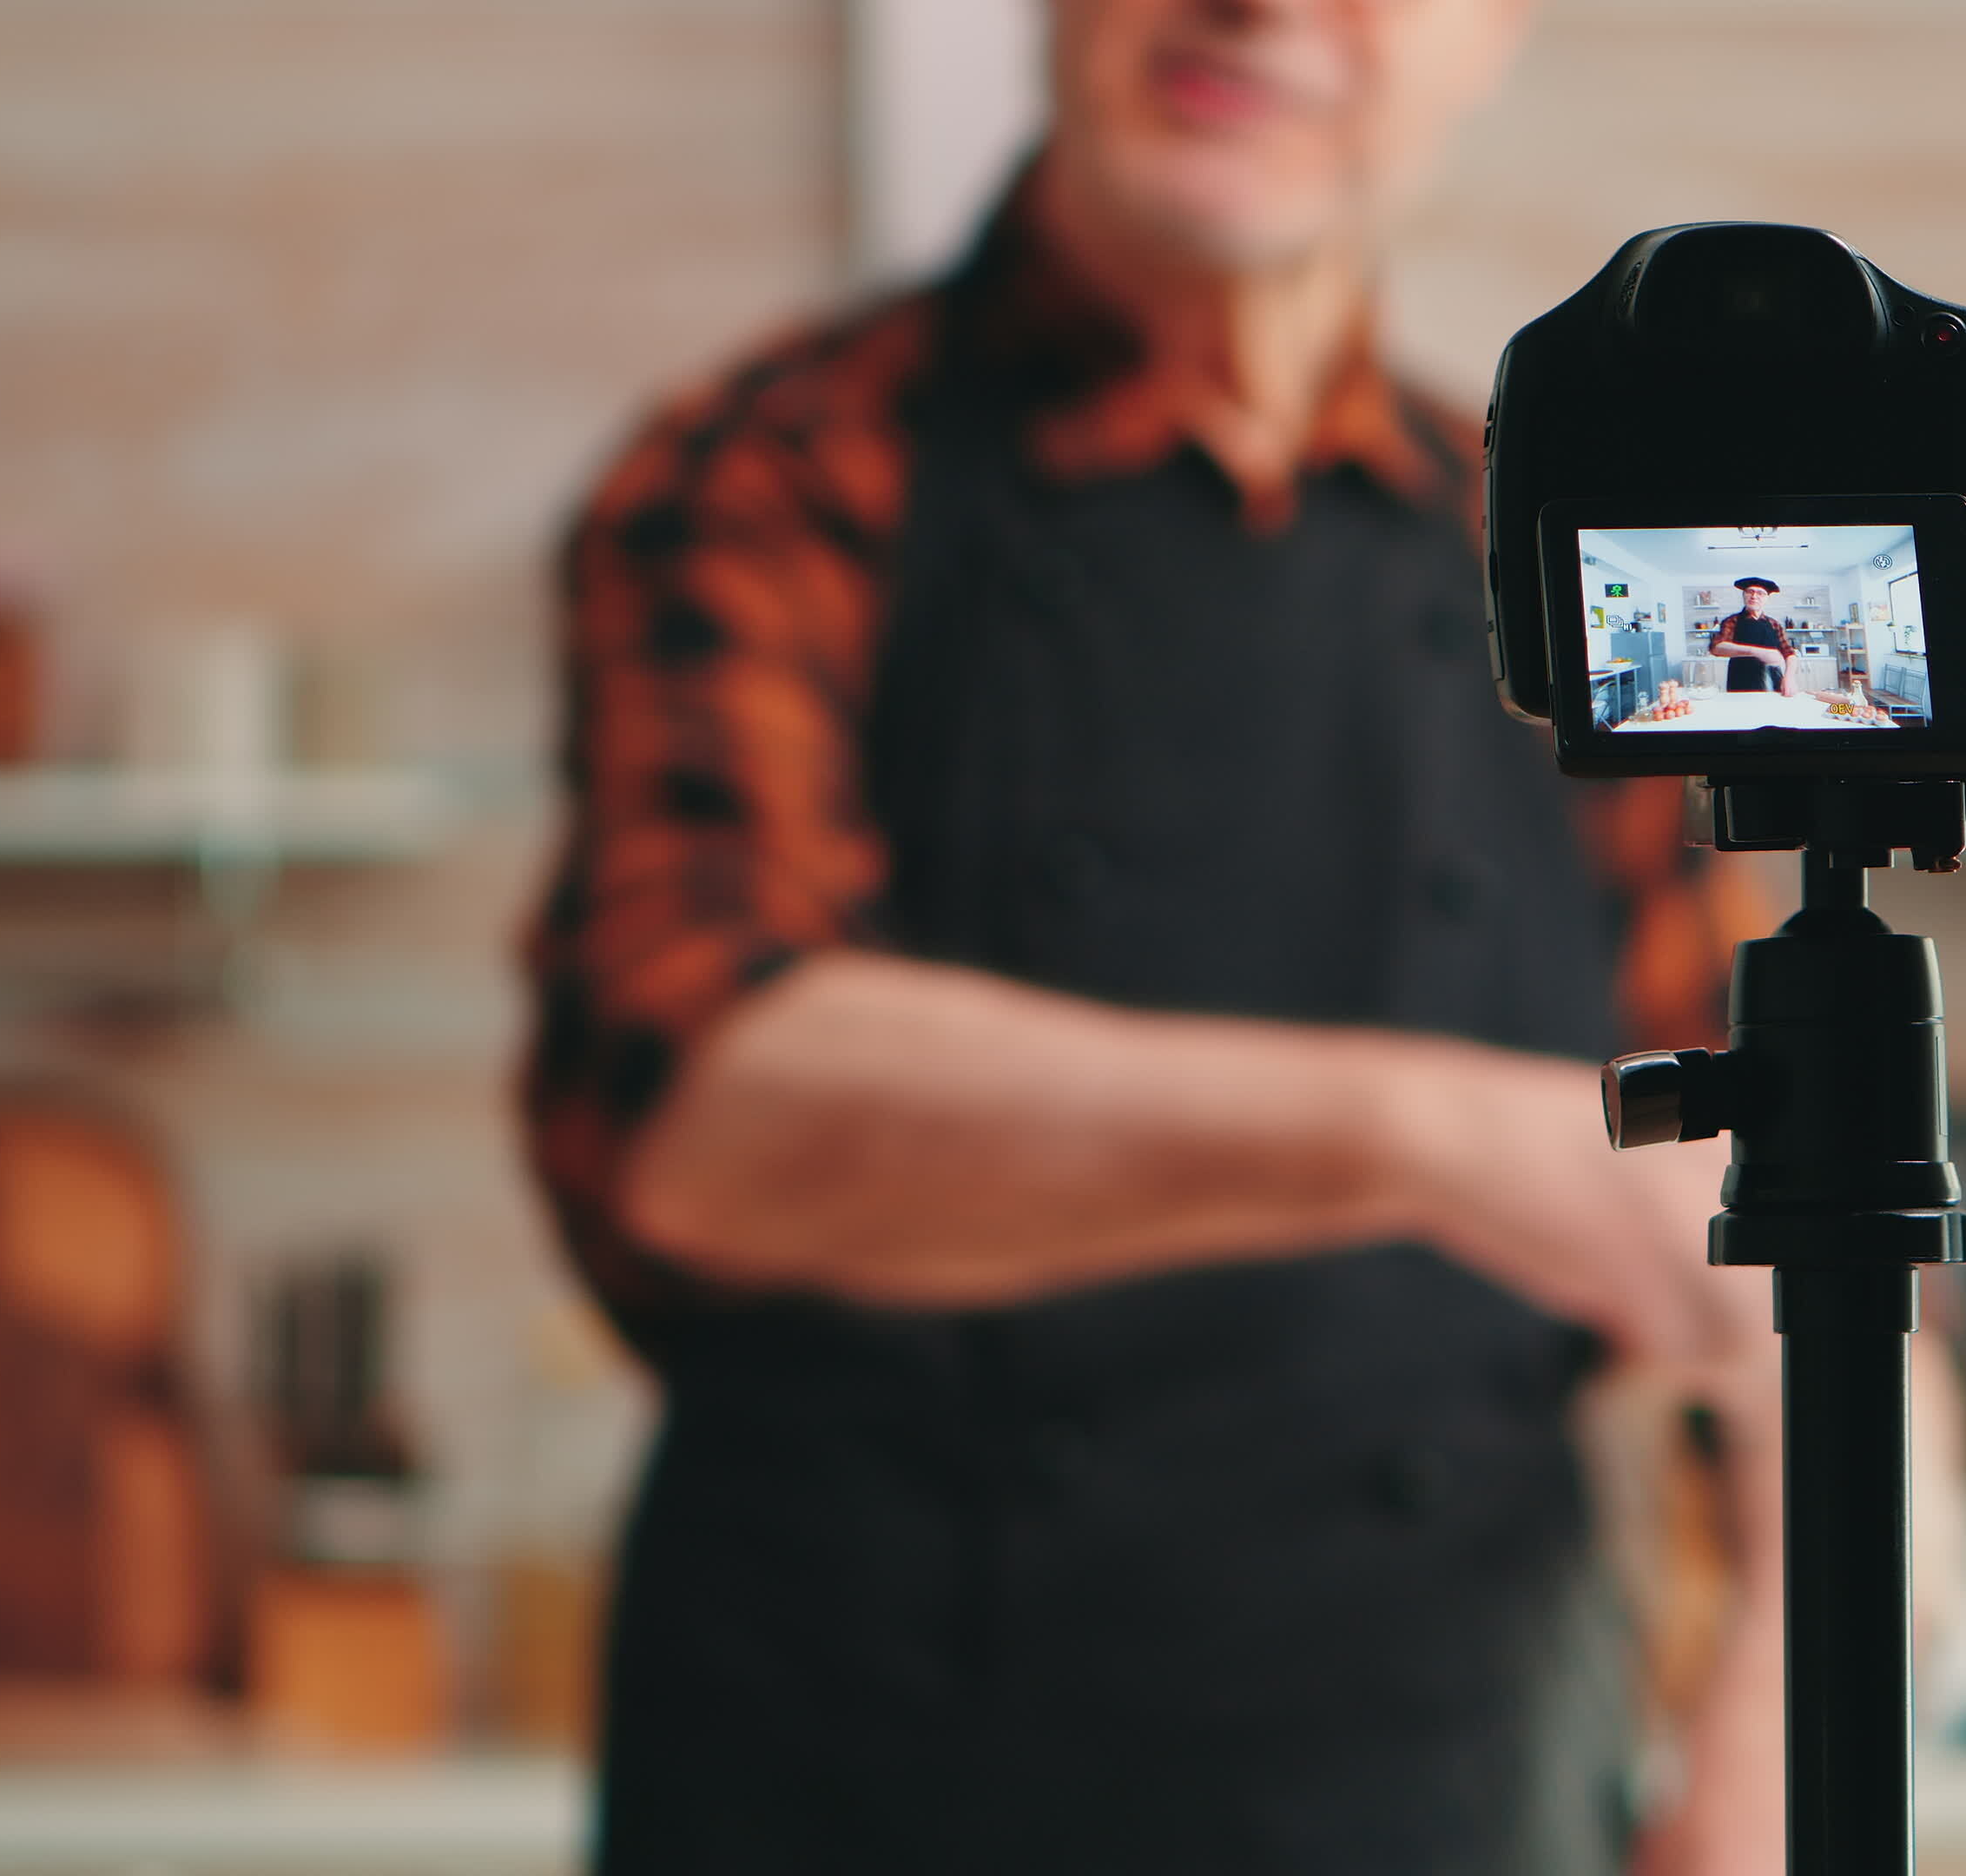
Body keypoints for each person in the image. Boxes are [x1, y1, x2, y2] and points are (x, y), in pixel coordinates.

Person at [518, 0, 1785, 1871]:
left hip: (1450, 1796)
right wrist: (1439, 1141)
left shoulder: (1583, 569)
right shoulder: (765, 480)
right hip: (871, 1799)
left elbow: (1784, 1252)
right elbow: (707, 1107)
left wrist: (1776, 1731)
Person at [1707, 578, 1795, 696]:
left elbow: (1790, 654)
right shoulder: (1732, 621)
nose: (1754, 596)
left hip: (1773, 681)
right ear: (1744, 596)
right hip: (1741, 682)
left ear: (1767, 599)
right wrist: (1757, 652)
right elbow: (1716, 647)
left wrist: (1789, 678)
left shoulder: (1774, 624)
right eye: (1750, 592)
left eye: (1760, 593)